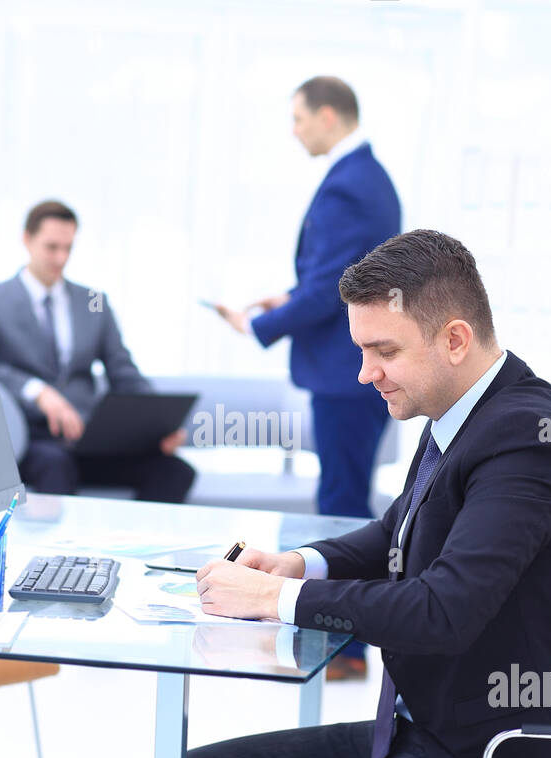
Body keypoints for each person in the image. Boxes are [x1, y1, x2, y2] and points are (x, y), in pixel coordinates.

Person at [185, 230, 551, 758]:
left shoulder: (530, 441)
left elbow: (442, 612)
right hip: (426, 735)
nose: (365, 373)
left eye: (383, 350)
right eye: (362, 350)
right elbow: (397, 531)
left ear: (454, 339)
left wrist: (279, 598)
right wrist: (300, 564)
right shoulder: (459, 411)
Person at [213, 76, 401, 679]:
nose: (293, 132)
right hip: (346, 372)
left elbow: (333, 288)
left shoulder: (350, 185)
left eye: (298, 119)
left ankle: (342, 650)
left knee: (341, 512)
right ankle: (338, 645)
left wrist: (261, 326)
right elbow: (331, 278)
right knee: (340, 506)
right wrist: (287, 298)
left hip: (346, 374)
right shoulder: (361, 178)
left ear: (327, 115)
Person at [0, 200, 194, 503]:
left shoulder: (93, 303)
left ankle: (129, 545)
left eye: (68, 248)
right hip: (30, 439)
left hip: (87, 439)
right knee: (55, 466)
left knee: (175, 471)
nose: (61, 258)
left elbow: (123, 371)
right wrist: (37, 391)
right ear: (26, 240)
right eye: (51, 247)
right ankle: (59, 551)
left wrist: (160, 426)